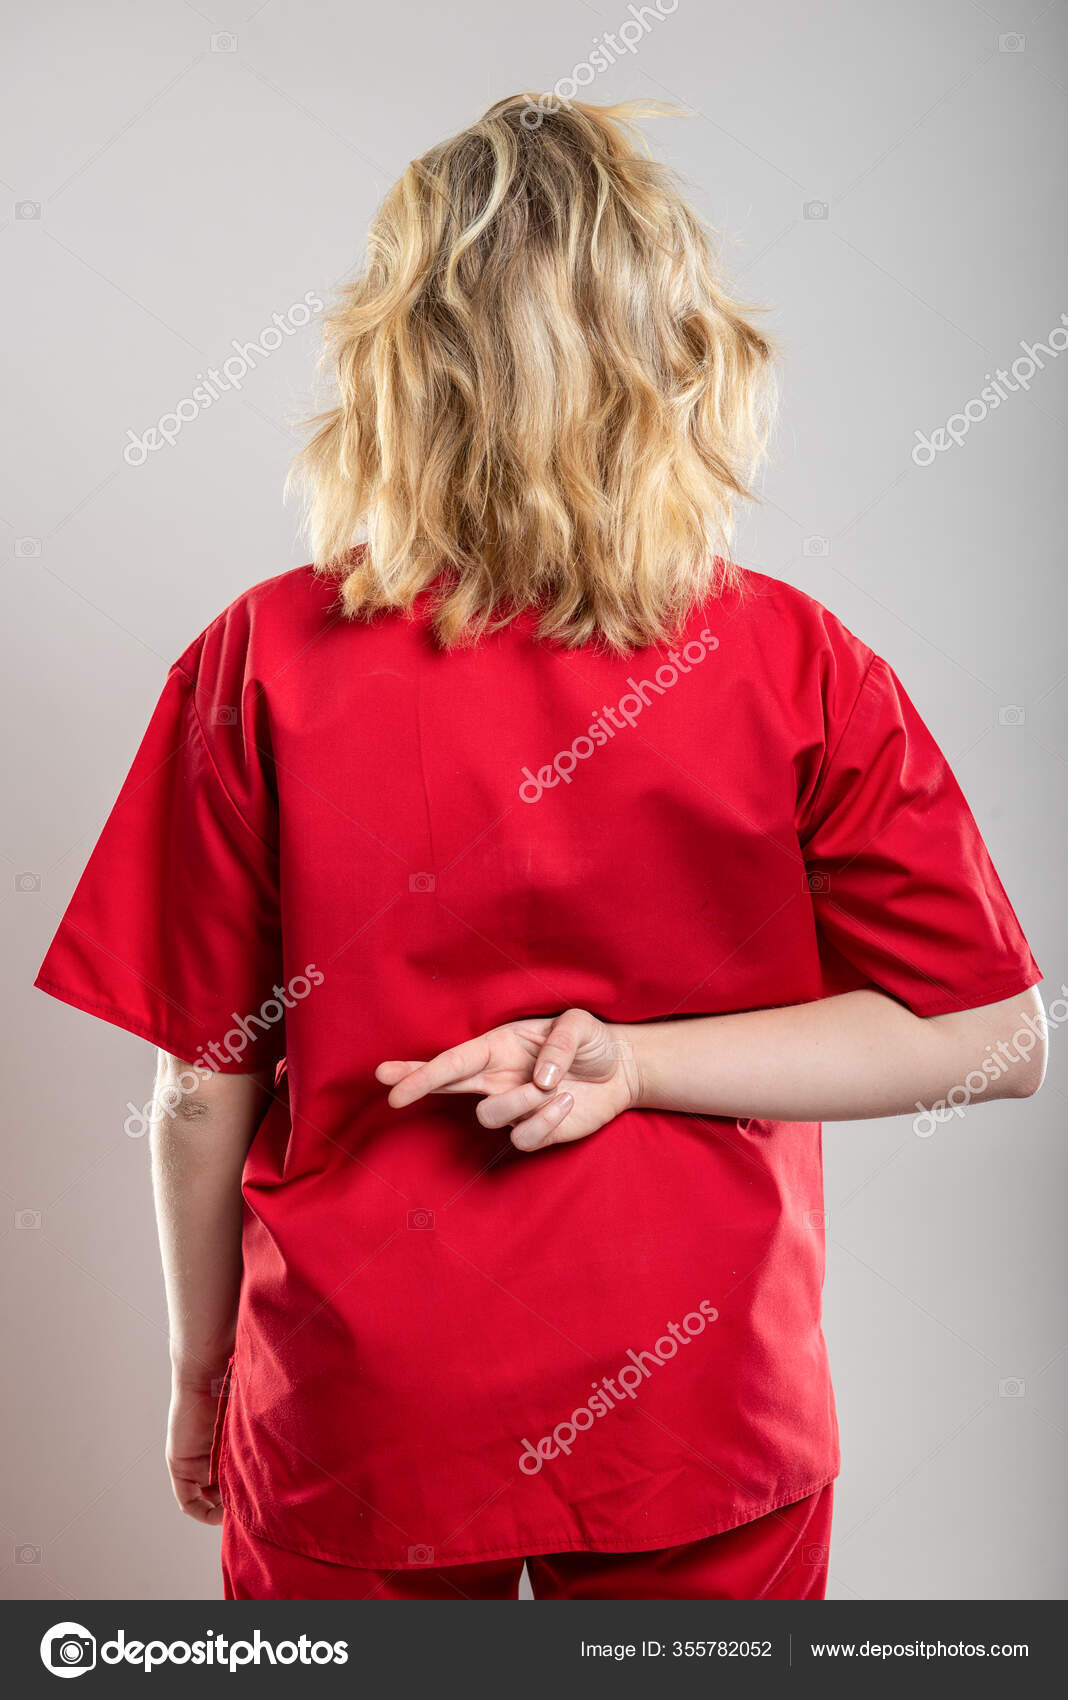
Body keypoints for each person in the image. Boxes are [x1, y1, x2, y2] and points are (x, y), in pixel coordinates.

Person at [34, 96, 1044, 1602]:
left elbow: (196, 1087)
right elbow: (990, 1036)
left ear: (394, 359)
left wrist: (204, 1370)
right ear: (677, 357)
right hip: (706, 1418)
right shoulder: (797, 664)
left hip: (359, 1416)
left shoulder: (259, 662)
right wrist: (638, 1065)